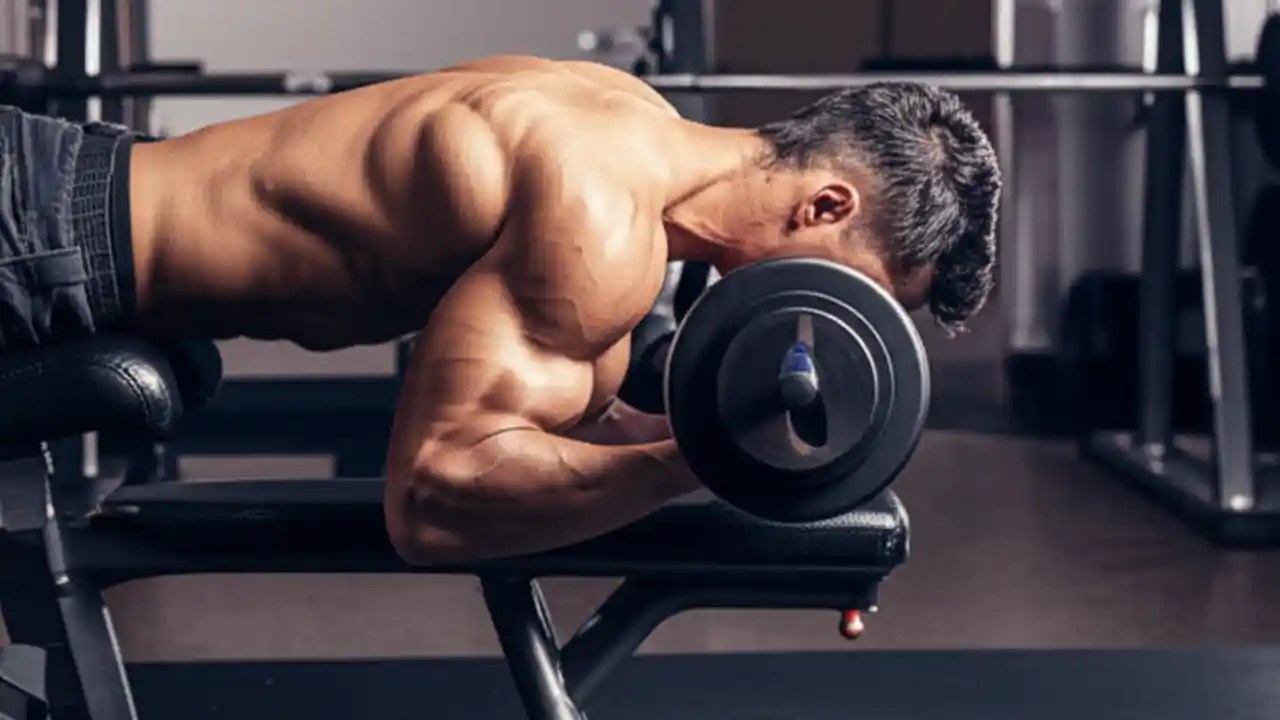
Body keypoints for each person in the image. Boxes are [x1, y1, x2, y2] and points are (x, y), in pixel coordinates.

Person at [0, 55, 1000, 563]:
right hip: (35, 238)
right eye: (856, 291)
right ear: (826, 203)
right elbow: (435, 501)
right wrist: (708, 460)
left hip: (62, 199)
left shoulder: (625, 115)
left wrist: (719, 444)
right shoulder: (599, 223)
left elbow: (564, 412)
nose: (823, 323)